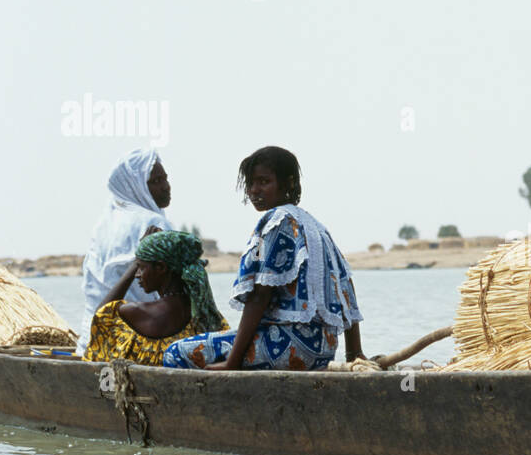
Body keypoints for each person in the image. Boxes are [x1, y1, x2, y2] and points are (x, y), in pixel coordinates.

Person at [163, 146, 364, 371]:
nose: (254, 190)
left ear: (288, 183)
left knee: (175, 353)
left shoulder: (277, 221)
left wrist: (232, 362)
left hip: (289, 347)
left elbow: (259, 296)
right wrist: (354, 352)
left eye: (264, 182)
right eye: (250, 183)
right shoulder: (317, 227)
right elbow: (347, 288)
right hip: (323, 350)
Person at [78, 149, 173, 354]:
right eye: (155, 181)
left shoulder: (102, 226)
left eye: (165, 178)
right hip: (135, 343)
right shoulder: (154, 223)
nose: (166, 186)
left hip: (90, 341)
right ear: (135, 187)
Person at [83, 231, 227, 365]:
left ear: (160, 268)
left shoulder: (134, 312)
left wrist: (132, 265)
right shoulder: (206, 316)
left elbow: (101, 317)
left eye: (140, 267)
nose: (137, 274)